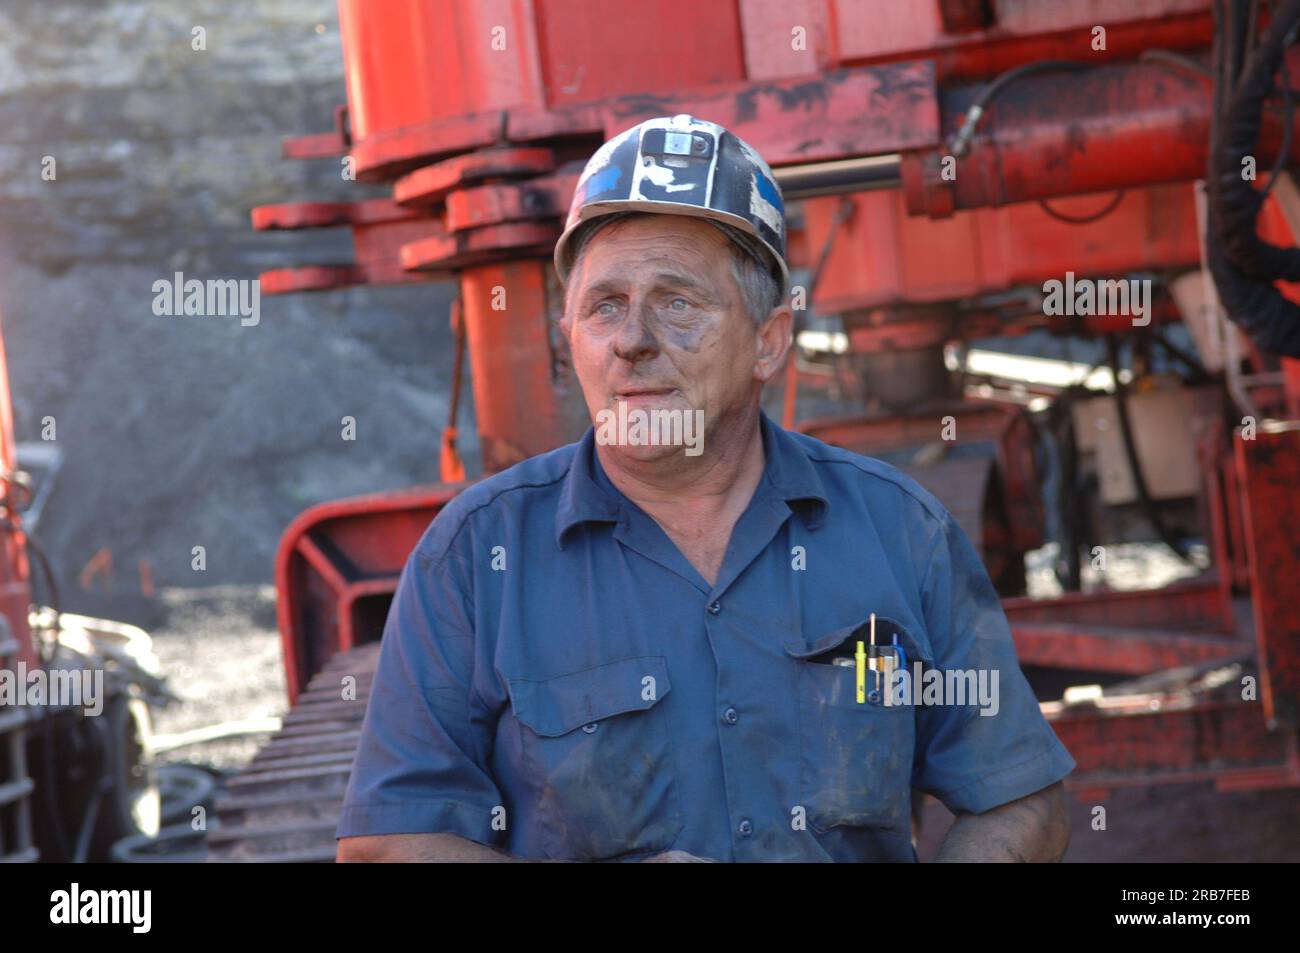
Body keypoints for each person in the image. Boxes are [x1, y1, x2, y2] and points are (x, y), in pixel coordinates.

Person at [336, 114, 1075, 862]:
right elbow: (390, 842)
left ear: (769, 340)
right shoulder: (476, 556)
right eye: (605, 306)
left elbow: (1020, 800)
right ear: (571, 340)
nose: (633, 340)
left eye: (678, 302)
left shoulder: (901, 533)